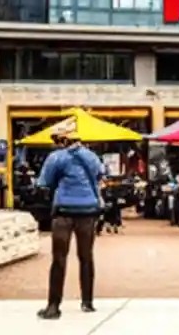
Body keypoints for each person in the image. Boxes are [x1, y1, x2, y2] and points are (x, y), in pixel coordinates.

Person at [35, 123, 105, 320]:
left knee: (59, 258)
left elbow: (45, 182)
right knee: (86, 256)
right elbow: (100, 174)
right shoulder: (91, 157)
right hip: (89, 211)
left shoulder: (57, 157)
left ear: (63, 140)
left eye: (56, 140)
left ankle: (53, 306)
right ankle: (88, 302)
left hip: (64, 211)